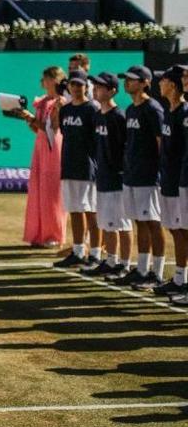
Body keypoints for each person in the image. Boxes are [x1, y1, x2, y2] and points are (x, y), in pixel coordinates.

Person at [114, 65, 165, 287]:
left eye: (133, 80)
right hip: (132, 175)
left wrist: (159, 172)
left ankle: (158, 273)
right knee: (140, 222)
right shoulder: (131, 110)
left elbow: (160, 143)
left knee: (153, 222)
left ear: (145, 82)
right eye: (127, 79)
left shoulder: (152, 109)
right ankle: (142, 269)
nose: (128, 83)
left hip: (148, 176)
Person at [78, 72, 132, 278]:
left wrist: (120, 171)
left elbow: (125, 147)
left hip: (117, 178)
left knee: (122, 223)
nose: (95, 89)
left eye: (100, 86)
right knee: (107, 221)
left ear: (112, 91)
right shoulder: (98, 115)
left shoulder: (119, 116)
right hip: (103, 177)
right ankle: (111, 260)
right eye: (95, 86)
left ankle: (125, 264)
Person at [52, 70, 101, 268]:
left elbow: (96, 139)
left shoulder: (92, 109)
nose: (75, 88)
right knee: (74, 210)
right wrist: (56, 110)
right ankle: (78, 251)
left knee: (90, 211)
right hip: (69, 165)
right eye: (72, 84)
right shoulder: (65, 109)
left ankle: (96, 253)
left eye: (79, 85)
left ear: (86, 86)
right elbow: (61, 131)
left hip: (87, 167)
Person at [20, 66, 66, 247]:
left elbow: (52, 129)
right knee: (38, 188)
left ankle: (53, 234)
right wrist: (28, 119)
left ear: (55, 80)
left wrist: (31, 119)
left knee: (51, 191)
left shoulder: (59, 102)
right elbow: (37, 129)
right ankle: (38, 233)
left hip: (53, 146)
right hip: (40, 146)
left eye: (47, 78)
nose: (43, 81)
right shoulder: (43, 101)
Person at [154, 67, 188, 295]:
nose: (159, 84)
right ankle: (178, 278)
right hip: (169, 181)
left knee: (184, 231)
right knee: (176, 229)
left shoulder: (185, 114)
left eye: (163, 81)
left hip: (180, 183)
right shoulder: (169, 111)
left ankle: (183, 280)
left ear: (172, 85)